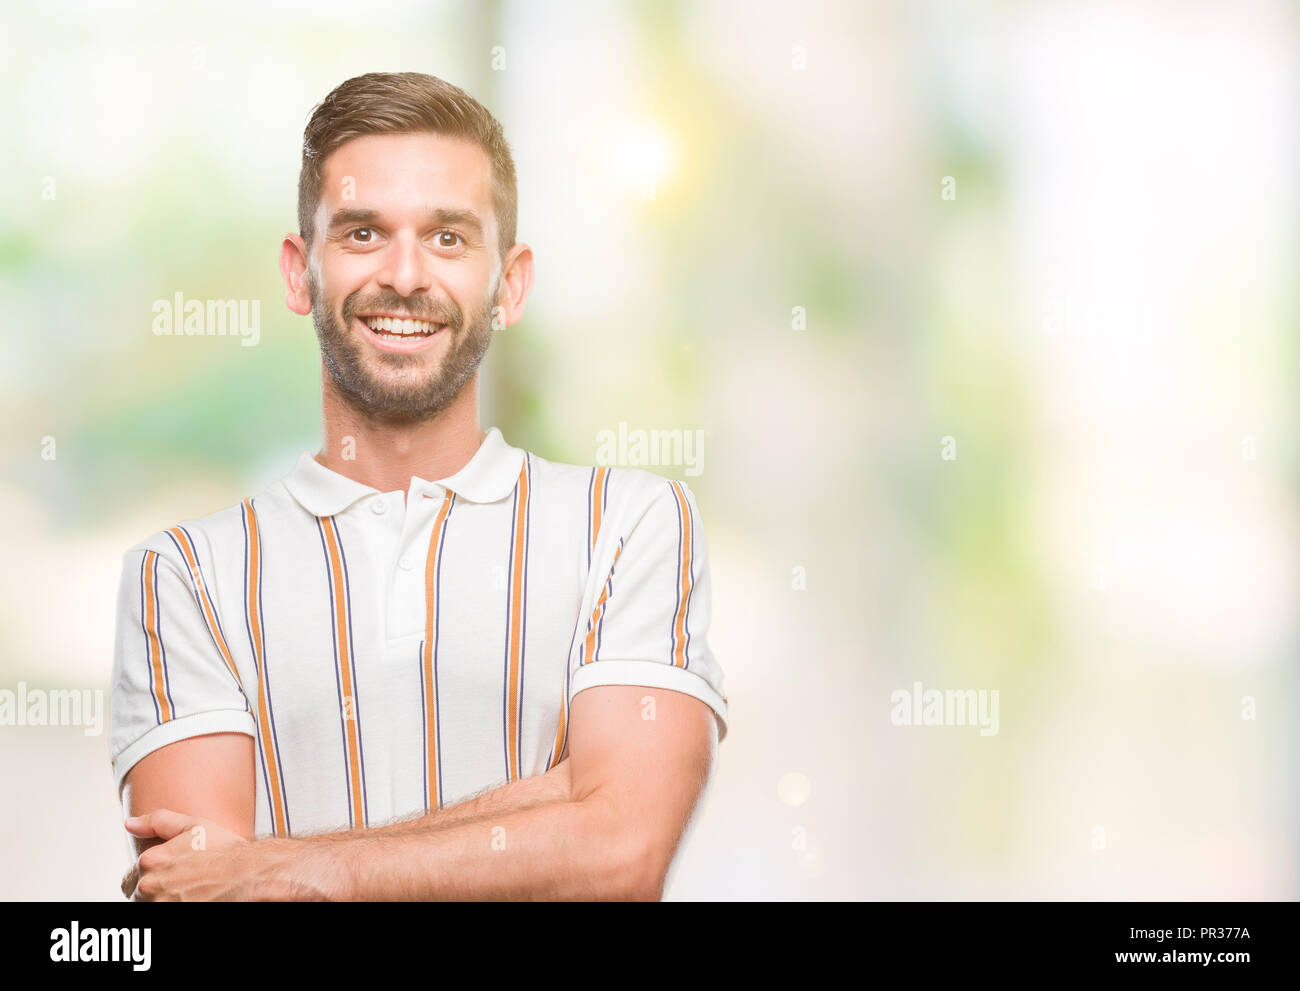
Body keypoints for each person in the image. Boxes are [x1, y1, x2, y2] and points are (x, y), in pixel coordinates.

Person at [109, 71, 728, 901]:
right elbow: (203, 895)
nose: (405, 275)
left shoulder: (628, 526)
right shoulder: (183, 575)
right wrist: (559, 799)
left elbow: (619, 854)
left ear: (509, 283)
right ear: (301, 273)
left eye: (448, 238)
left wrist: (288, 862)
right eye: (363, 233)